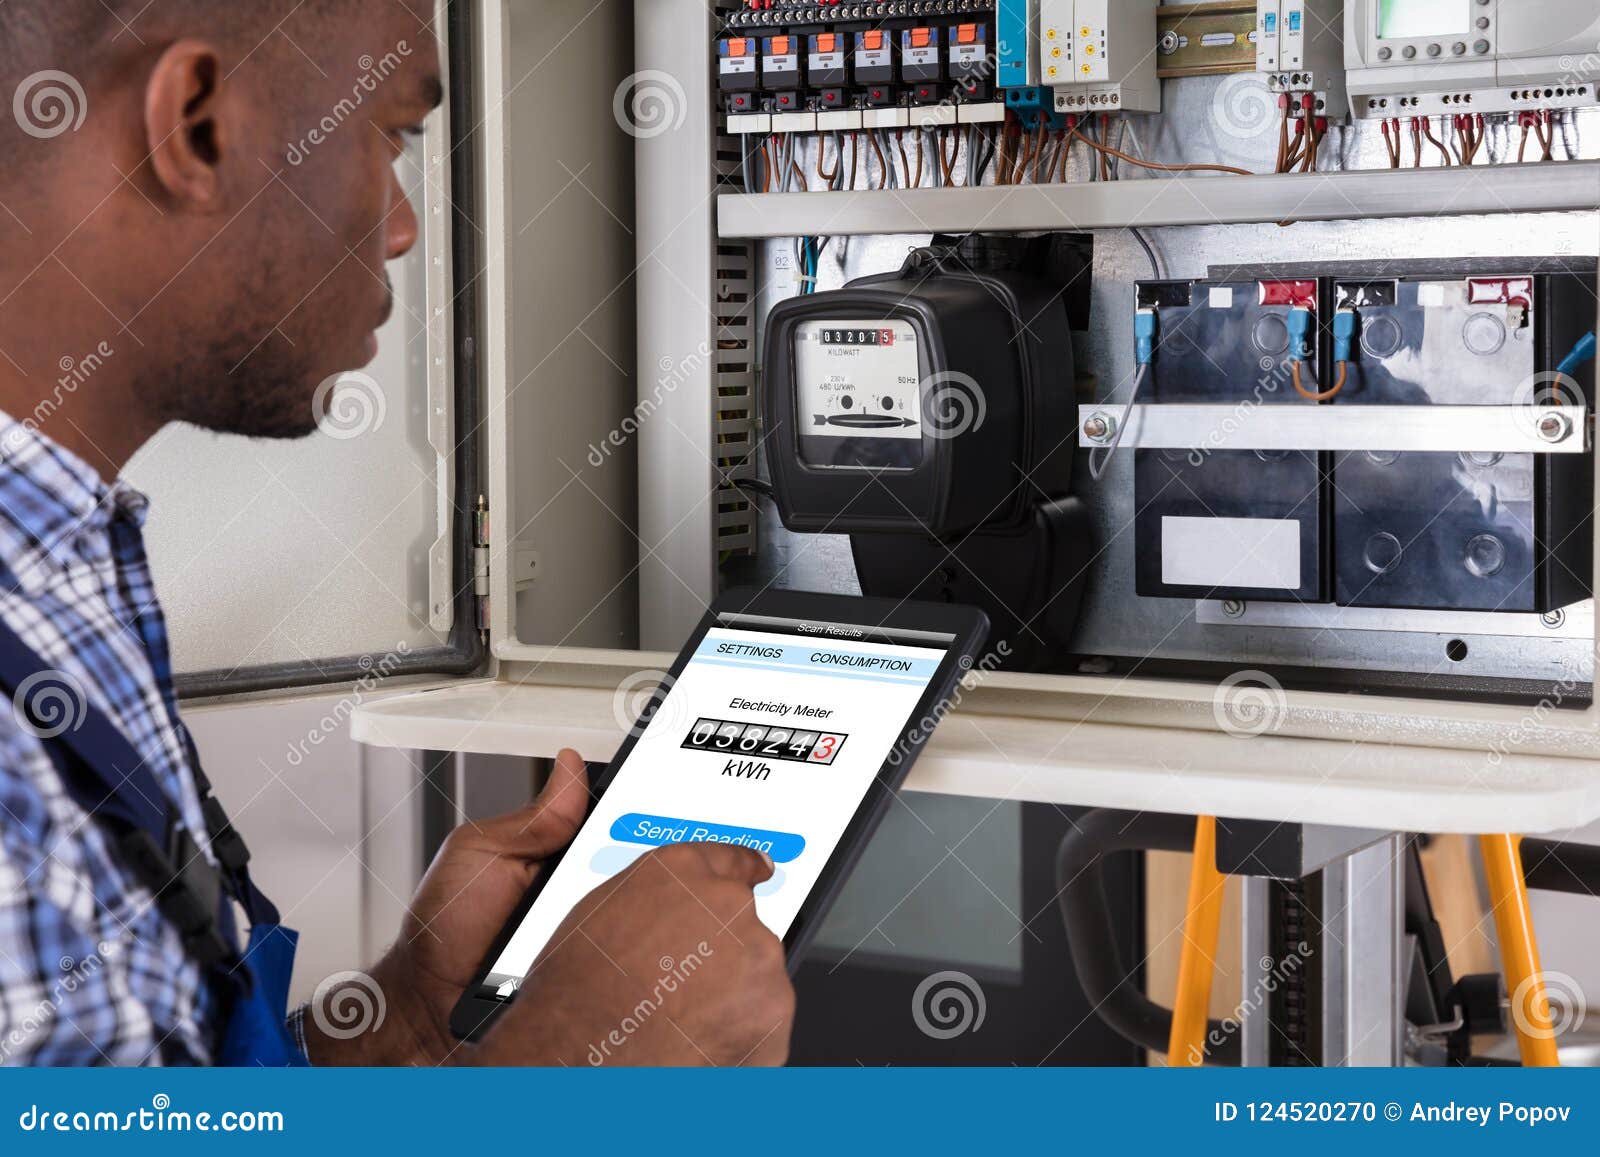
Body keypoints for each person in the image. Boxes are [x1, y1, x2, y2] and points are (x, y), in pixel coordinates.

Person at [0, 1, 794, 1066]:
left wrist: (405, 1015)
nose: (407, 223)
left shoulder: (65, 557)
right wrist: (569, 1058)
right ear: (196, 126)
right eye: (390, 134)